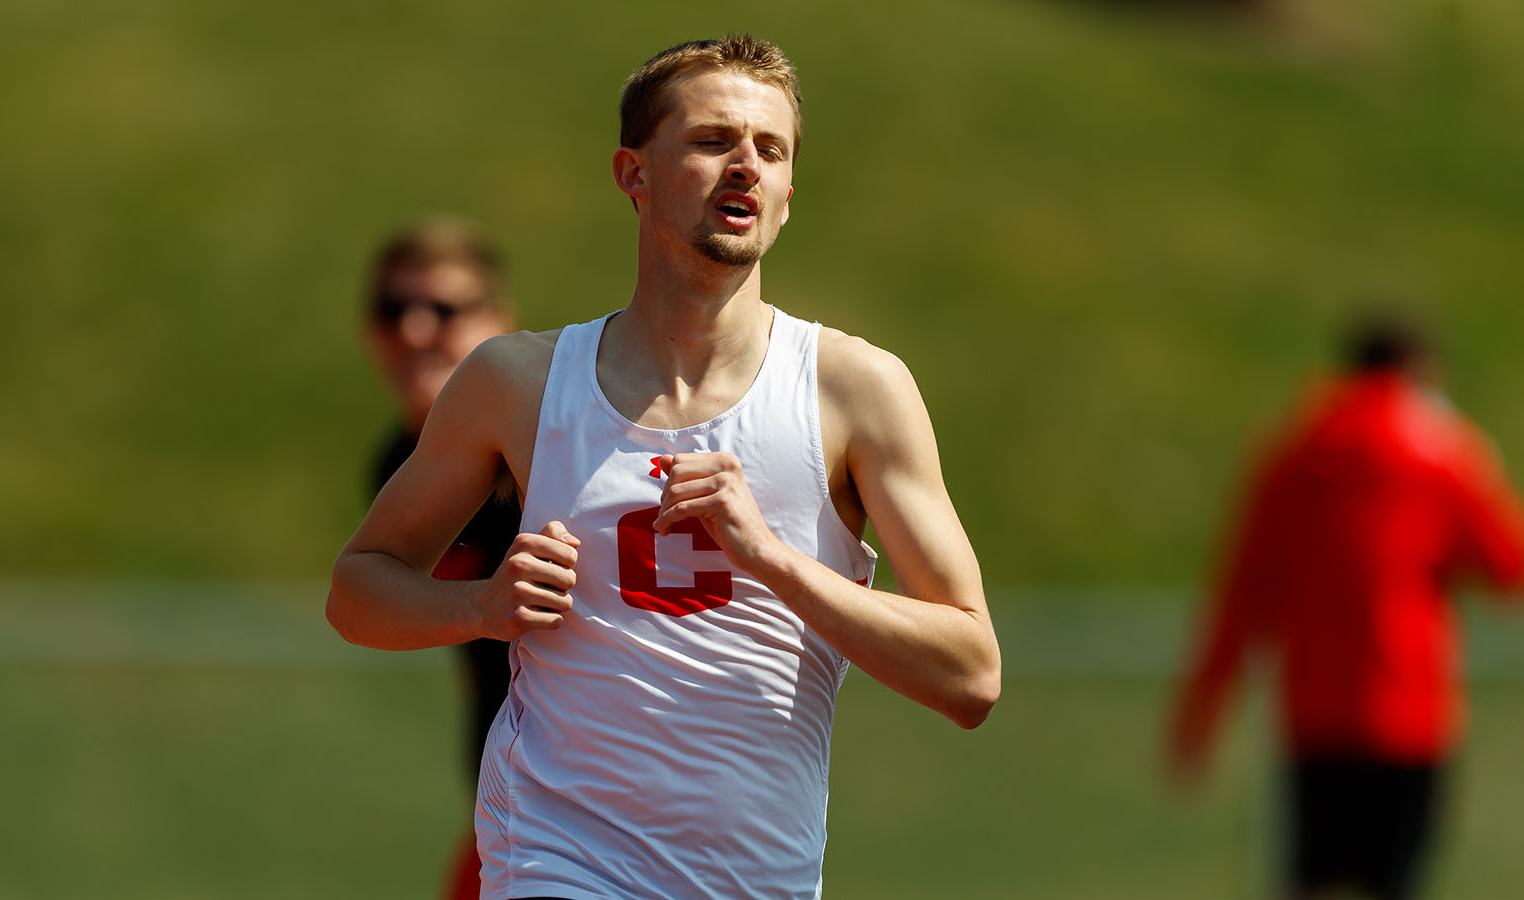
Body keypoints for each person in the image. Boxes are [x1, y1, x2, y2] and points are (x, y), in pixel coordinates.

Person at [329, 34, 1001, 900]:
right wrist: (481, 605)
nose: (746, 167)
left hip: (758, 878)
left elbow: (971, 674)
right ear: (632, 173)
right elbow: (357, 590)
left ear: (791, 195)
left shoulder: (855, 390)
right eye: (714, 140)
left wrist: (771, 559)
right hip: (557, 857)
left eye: (771, 150)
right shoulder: (517, 385)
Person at [1167, 309, 1524, 899]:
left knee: (1312, 878)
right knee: (1394, 881)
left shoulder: (1294, 455)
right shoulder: (1445, 456)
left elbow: (1240, 596)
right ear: (1420, 372)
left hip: (1316, 713)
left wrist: (1200, 711)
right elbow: (1508, 572)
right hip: (1411, 712)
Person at [360, 215, 519, 900]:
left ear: (500, 324)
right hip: (505, 803)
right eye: (395, 310)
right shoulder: (400, 465)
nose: (416, 331)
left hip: (599, 803)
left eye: (445, 310)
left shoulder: (539, 448)